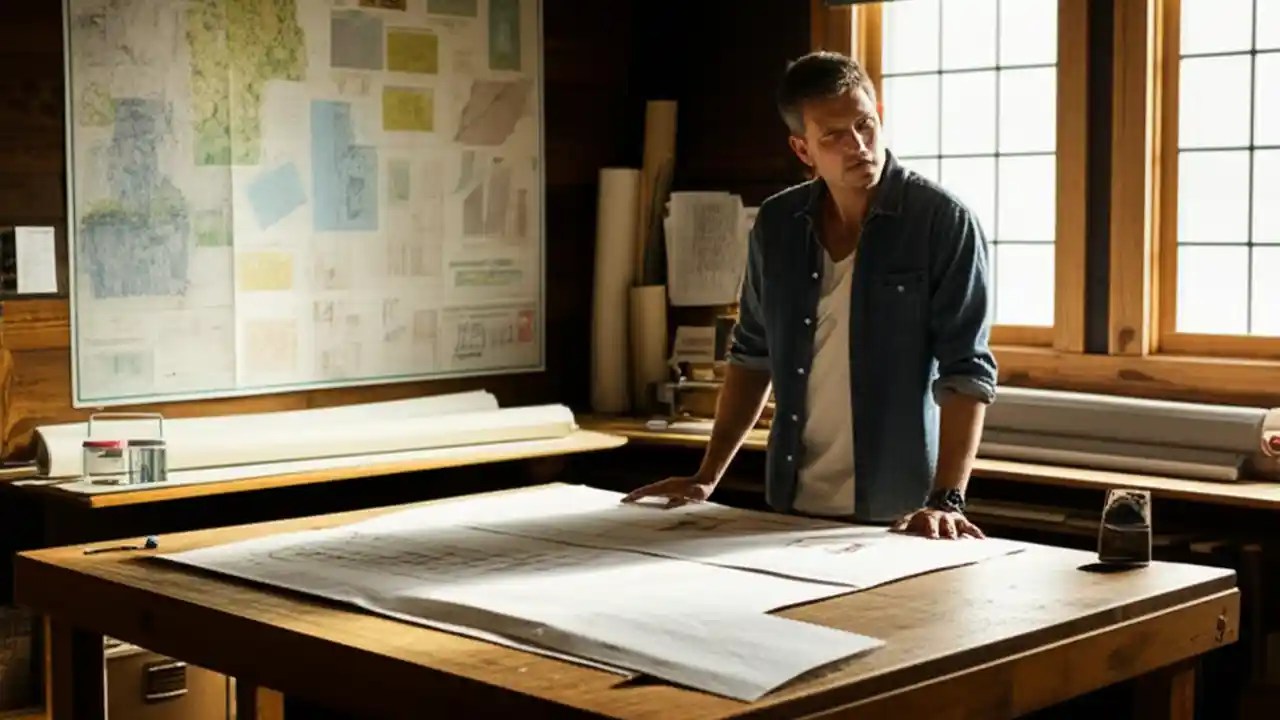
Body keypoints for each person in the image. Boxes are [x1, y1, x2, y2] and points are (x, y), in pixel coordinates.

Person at [622, 51, 997, 540]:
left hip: (898, 514)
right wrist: (707, 475)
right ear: (803, 150)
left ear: (879, 115)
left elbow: (966, 371)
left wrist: (946, 500)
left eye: (864, 124)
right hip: (788, 504)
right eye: (834, 135)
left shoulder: (942, 222)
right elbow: (751, 355)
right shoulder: (777, 225)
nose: (858, 145)